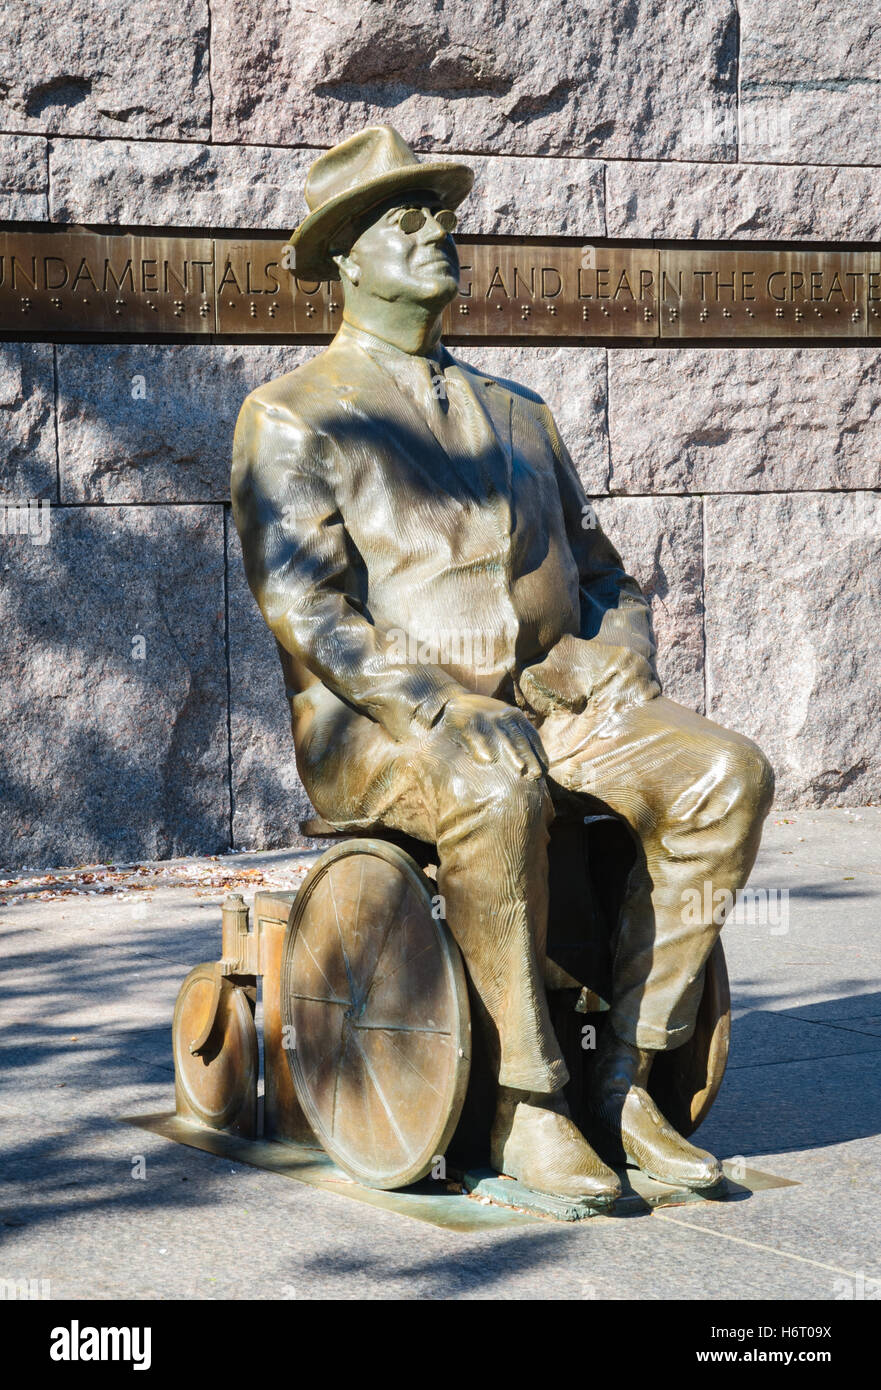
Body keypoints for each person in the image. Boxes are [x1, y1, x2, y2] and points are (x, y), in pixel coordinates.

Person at [231, 125, 774, 1207]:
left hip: (548, 703)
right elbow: (305, 607)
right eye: (405, 217)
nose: (439, 230)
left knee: (725, 771)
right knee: (492, 774)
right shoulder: (289, 413)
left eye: (442, 212)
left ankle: (624, 1074)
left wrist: (618, 653)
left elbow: (605, 572)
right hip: (387, 728)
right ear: (343, 258)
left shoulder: (521, 412)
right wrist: (431, 701)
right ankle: (526, 1104)